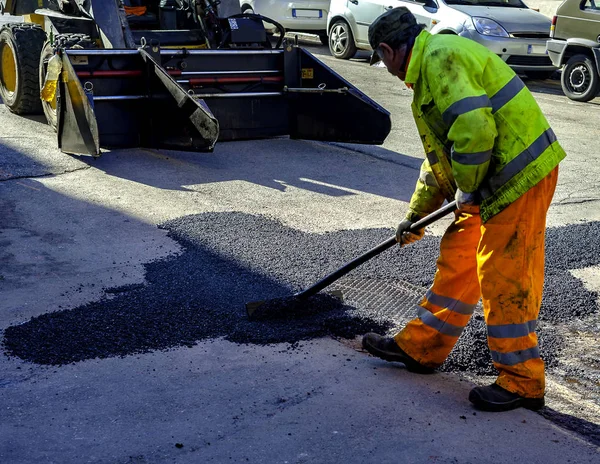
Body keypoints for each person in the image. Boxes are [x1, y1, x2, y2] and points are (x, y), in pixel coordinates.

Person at [361, 7, 566, 412]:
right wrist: (416, 218)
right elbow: (440, 161)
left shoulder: (440, 57)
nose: (384, 68)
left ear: (387, 50)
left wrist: (468, 189)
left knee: (502, 272)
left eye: (381, 59)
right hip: (490, 175)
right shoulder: (428, 72)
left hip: (518, 174)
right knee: (459, 255)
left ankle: (523, 381)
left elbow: (475, 129)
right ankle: (422, 347)